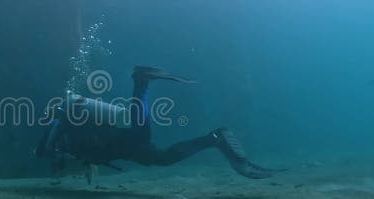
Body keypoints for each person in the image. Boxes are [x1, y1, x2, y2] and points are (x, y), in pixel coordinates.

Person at [35, 66, 284, 180]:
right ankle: (215, 139)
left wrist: (63, 157)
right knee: (161, 156)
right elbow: (89, 153)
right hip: (126, 147)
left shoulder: (62, 140)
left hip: (124, 142)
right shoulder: (68, 137)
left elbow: (77, 148)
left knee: (140, 130)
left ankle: (141, 82)